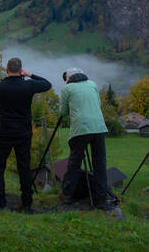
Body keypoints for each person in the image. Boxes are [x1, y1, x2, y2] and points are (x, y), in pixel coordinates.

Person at [0, 57, 51, 212]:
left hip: (3, 132)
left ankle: (0, 202)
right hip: (23, 133)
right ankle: (27, 204)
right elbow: (47, 84)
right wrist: (30, 74)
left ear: (6, 70)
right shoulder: (28, 86)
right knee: (24, 167)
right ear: (21, 70)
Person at [59, 67, 111, 209]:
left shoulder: (67, 89)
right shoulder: (93, 84)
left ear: (68, 78)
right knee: (100, 163)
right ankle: (101, 198)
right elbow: (97, 104)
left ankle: (67, 194)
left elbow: (63, 112)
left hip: (81, 129)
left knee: (75, 162)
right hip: (99, 126)